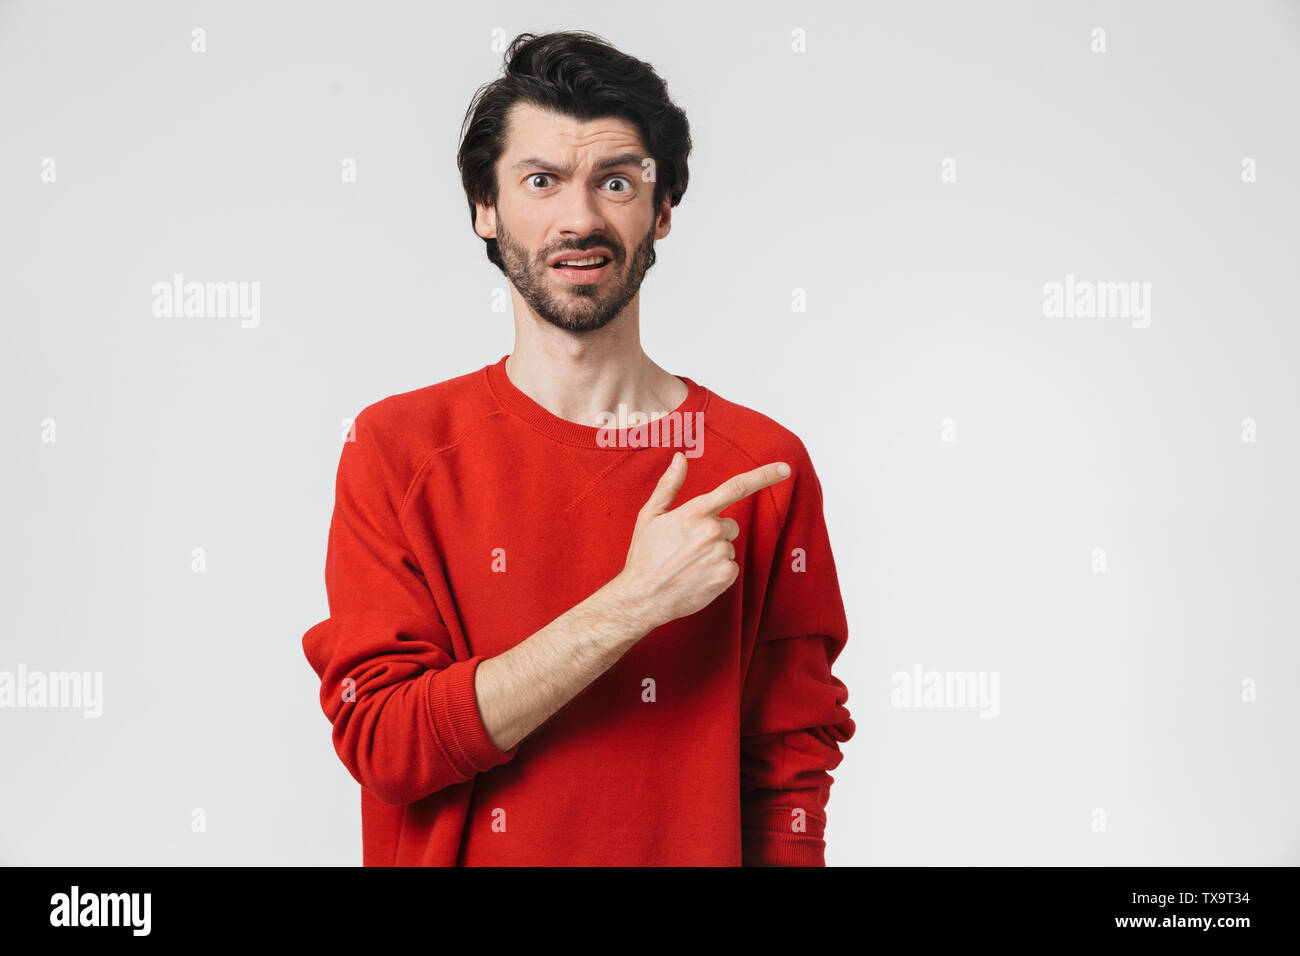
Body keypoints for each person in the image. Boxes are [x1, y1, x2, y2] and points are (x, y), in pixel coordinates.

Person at [302, 30, 855, 866]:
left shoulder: (759, 464)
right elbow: (387, 743)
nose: (581, 218)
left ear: (662, 209)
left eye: (616, 181)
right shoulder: (396, 448)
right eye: (541, 181)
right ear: (485, 208)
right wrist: (633, 603)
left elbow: (788, 776)